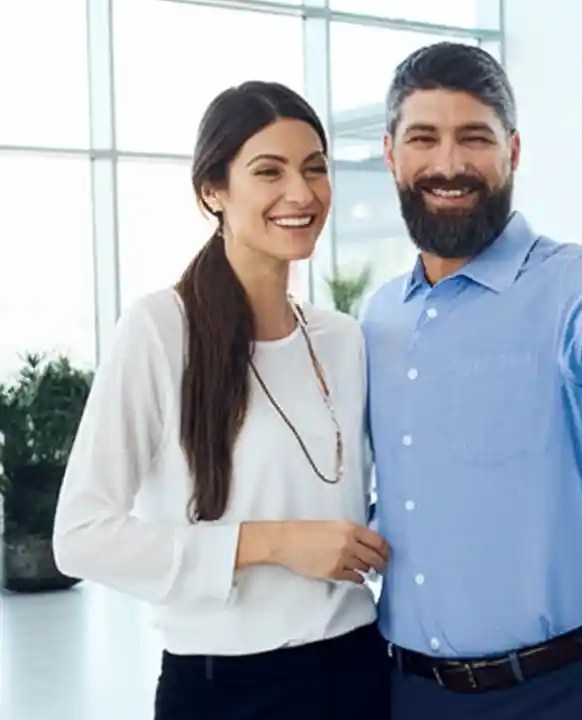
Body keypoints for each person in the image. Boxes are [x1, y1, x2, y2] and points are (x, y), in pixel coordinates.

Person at [360, 44, 582, 719]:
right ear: (391, 154)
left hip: (568, 693)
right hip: (413, 693)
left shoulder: (576, 281)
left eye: (474, 138)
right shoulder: (380, 316)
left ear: (512, 150)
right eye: (424, 138)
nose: (449, 164)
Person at [52, 81, 391, 720]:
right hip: (224, 688)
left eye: (315, 168)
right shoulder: (160, 330)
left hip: (358, 670)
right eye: (269, 171)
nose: (301, 193)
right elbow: (80, 538)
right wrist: (275, 542)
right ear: (213, 190)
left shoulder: (344, 339)